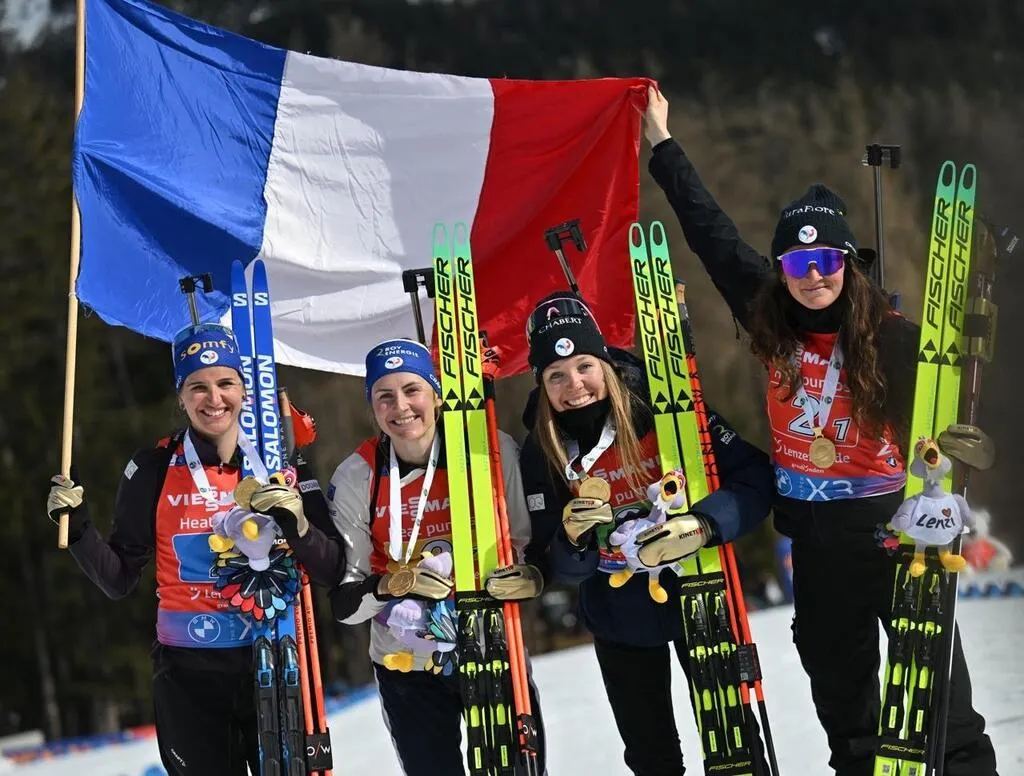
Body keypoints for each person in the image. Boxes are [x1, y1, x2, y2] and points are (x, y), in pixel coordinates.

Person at [641, 85, 998, 775]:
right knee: (849, 719)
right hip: (816, 548)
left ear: (847, 265)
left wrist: (968, 447)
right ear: (781, 269)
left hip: (894, 536)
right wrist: (661, 141)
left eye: (826, 261)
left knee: (945, 714)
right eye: (798, 264)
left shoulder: (895, 339)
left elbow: (954, 431)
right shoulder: (768, 317)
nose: (812, 277)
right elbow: (710, 233)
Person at [45, 322, 334, 776]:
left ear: (244, 389)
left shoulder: (282, 462)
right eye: (198, 386)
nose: (213, 398)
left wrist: (297, 524)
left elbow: (333, 568)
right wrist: (79, 526)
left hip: (276, 666)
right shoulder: (154, 466)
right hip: (189, 676)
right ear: (181, 396)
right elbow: (119, 578)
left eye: (225, 383)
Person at [518, 293, 776, 776]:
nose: (574, 385)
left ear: (605, 364)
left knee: (734, 748)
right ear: (543, 385)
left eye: (584, 366)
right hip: (620, 620)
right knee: (651, 757)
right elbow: (559, 564)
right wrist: (572, 541)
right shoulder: (542, 451)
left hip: (696, 596)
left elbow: (754, 477)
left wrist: (704, 523)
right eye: (556, 375)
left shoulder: (664, 406)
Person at [316, 338, 547, 776]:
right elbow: (347, 602)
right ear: (372, 407)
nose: (400, 406)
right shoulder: (357, 475)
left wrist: (528, 575)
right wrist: (391, 585)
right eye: (384, 395)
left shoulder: (488, 448)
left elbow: (525, 543)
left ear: (437, 394)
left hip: (490, 646)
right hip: (405, 663)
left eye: (412, 390)